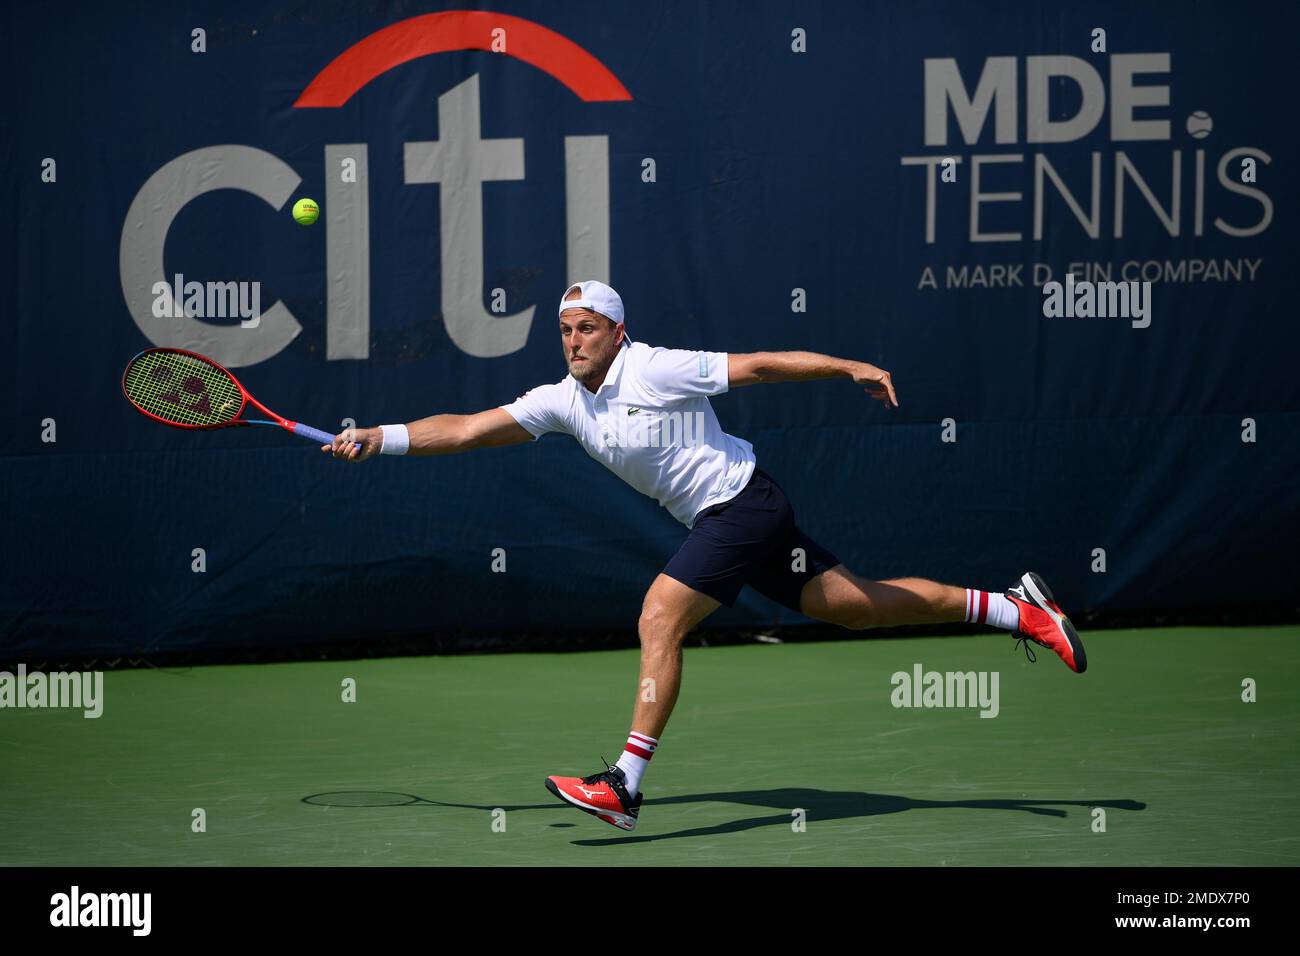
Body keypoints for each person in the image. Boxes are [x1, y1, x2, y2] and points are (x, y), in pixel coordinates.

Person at [325, 280, 1087, 831]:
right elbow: (462, 428)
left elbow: (755, 365)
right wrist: (378, 436)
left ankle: (623, 786)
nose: (572, 340)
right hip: (736, 521)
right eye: (564, 329)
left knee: (660, 614)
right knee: (858, 608)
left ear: (616, 332)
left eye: (585, 328)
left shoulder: (654, 367)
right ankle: (1019, 611)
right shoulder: (560, 400)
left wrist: (844, 366)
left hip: (742, 506)